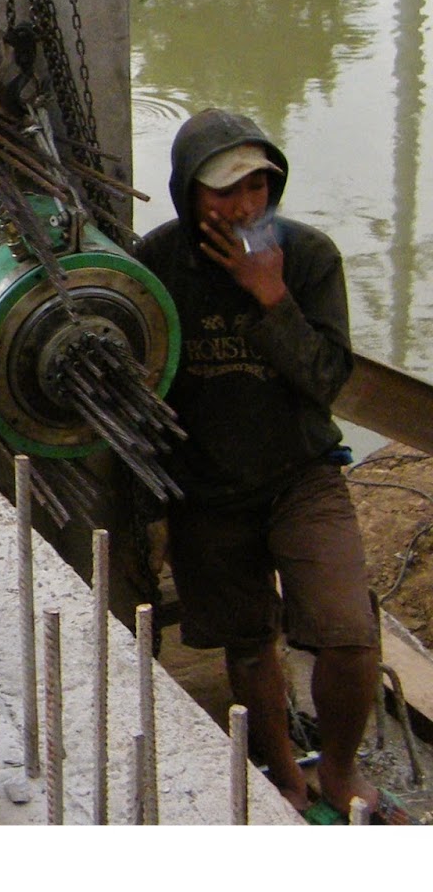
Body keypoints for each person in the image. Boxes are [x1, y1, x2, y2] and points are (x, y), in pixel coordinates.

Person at [136, 108, 404, 823]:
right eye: (224, 192)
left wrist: (272, 296)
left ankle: (338, 769)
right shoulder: (156, 263)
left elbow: (326, 381)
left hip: (300, 475)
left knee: (348, 636)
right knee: (249, 644)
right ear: (189, 194)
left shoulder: (308, 258)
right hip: (207, 489)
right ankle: (284, 774)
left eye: (257, 187)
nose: (244, 207)